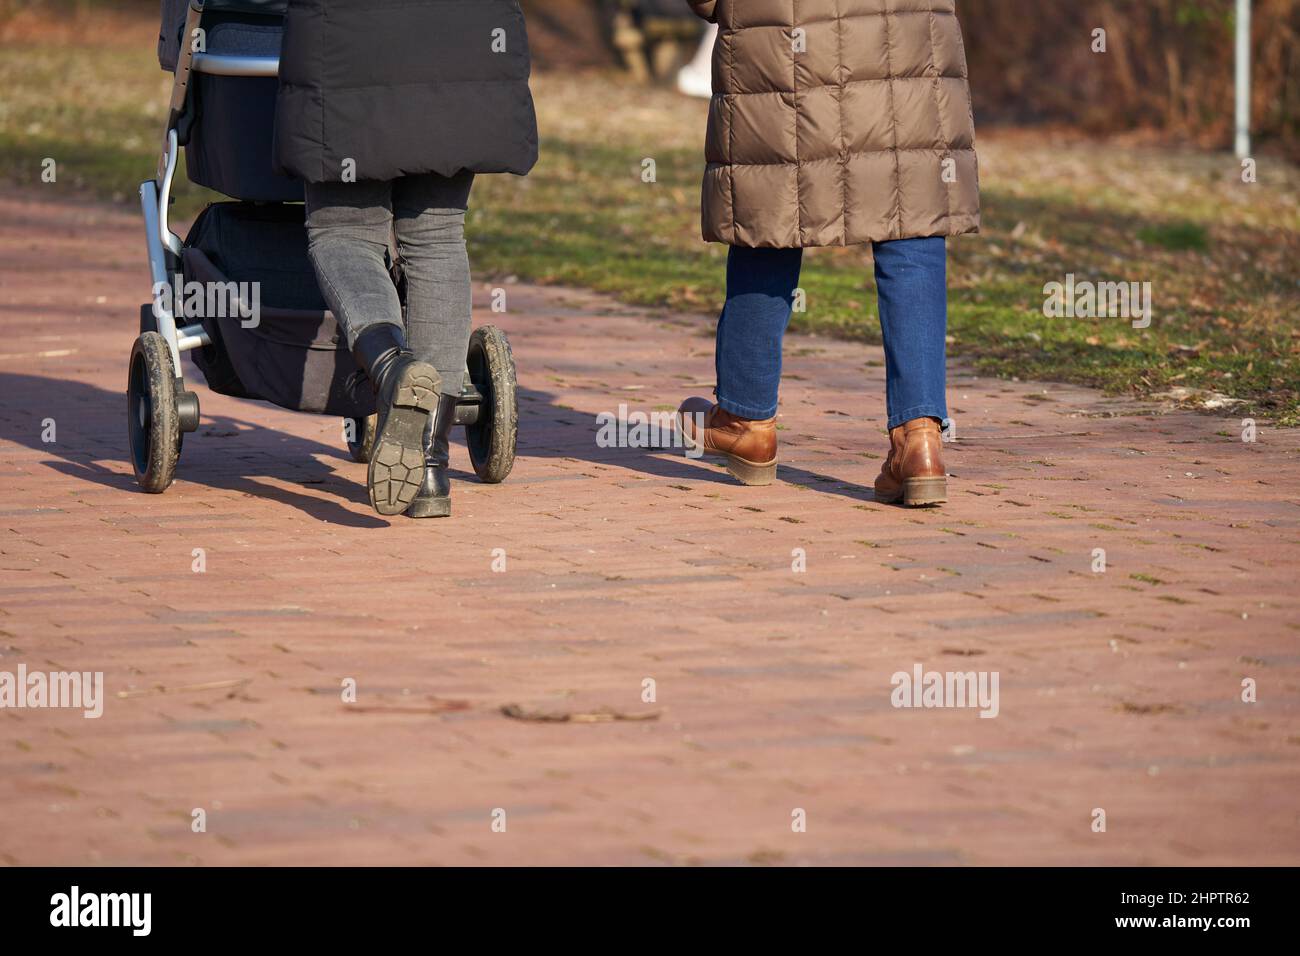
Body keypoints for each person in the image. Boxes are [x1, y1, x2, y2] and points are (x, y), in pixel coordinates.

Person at [677, 0, 980, 507]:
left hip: (780, 39)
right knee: (912, 219)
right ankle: (919, 437)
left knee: (771, 206)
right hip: (906, 35)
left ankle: (746, 419)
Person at [273, 0, 538, 517]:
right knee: (437, 235)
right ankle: (430, 468)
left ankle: (391, 366)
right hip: (466, 41)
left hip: (350, 47)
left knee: (344, 231)